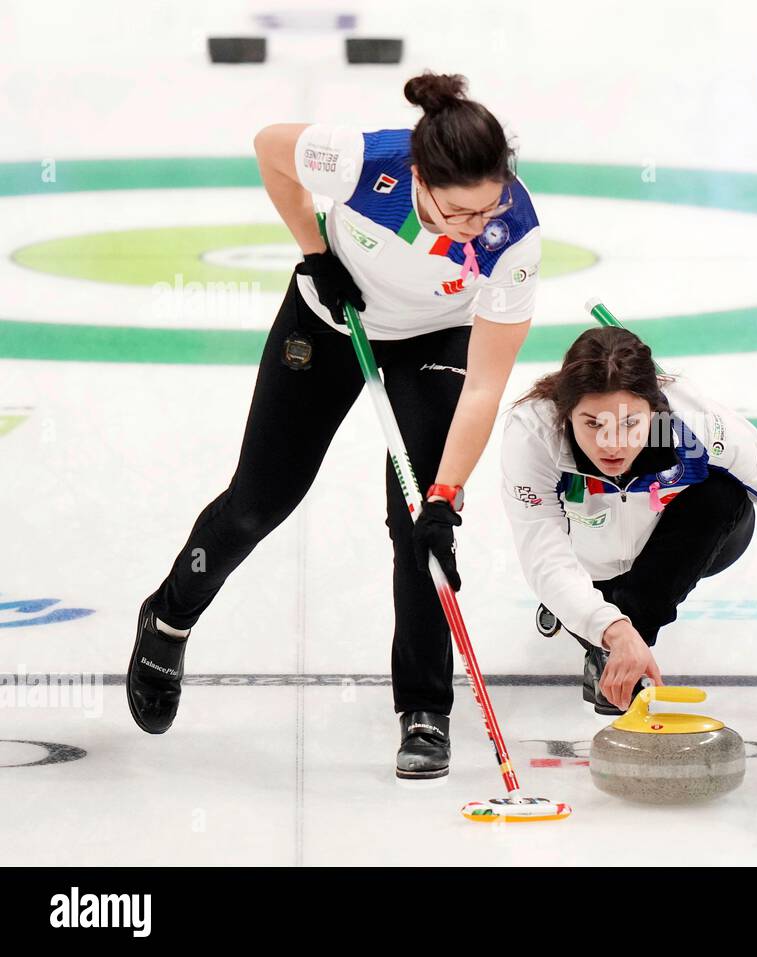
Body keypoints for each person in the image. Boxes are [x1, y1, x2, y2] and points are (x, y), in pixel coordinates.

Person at [127, 72, 540, 781]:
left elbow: (485, 385)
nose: (478, 226)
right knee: (260, 500)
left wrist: (446, 491)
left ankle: (424, 709)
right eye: (458, 213)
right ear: (419, 176)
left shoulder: (513, 239)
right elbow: (269, 148)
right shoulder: (360, 161)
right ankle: (168, 617)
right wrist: (316, 252)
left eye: (487, 208)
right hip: (329, 317)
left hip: (432, 341)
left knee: (419, 522)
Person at [499, 325, 757, 718]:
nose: (612, 443)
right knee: (577, 595)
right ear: (565, 412)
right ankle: (600, 619)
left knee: (722, 491)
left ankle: (624, 633)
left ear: (654, 407)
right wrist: (608, 625)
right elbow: (545, 555)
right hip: (585, 556)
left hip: (677, 544)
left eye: (630, 423)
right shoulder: (534, 433)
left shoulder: (698, 424)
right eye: (592, 424)